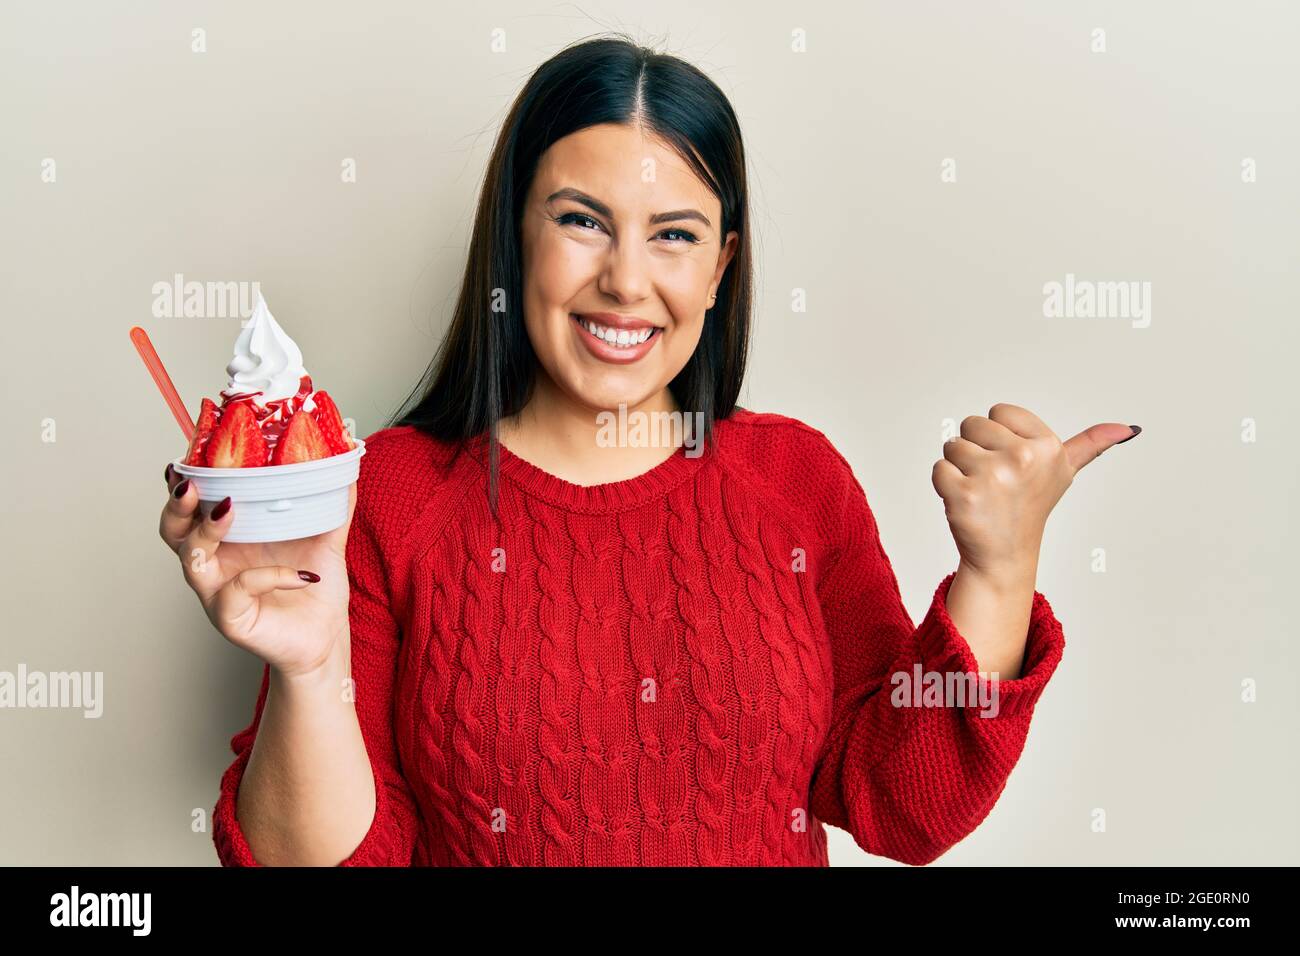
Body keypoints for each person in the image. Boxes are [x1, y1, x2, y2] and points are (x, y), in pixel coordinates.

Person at [159, 34, 1139, 867]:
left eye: (673, 234)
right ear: (514, 236)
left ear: (720, 266)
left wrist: (1000, 571)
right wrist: (306, 663)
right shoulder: (395, 494)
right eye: (582, 221)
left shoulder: (797, 481)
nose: (625, 280)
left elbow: (900, 801)